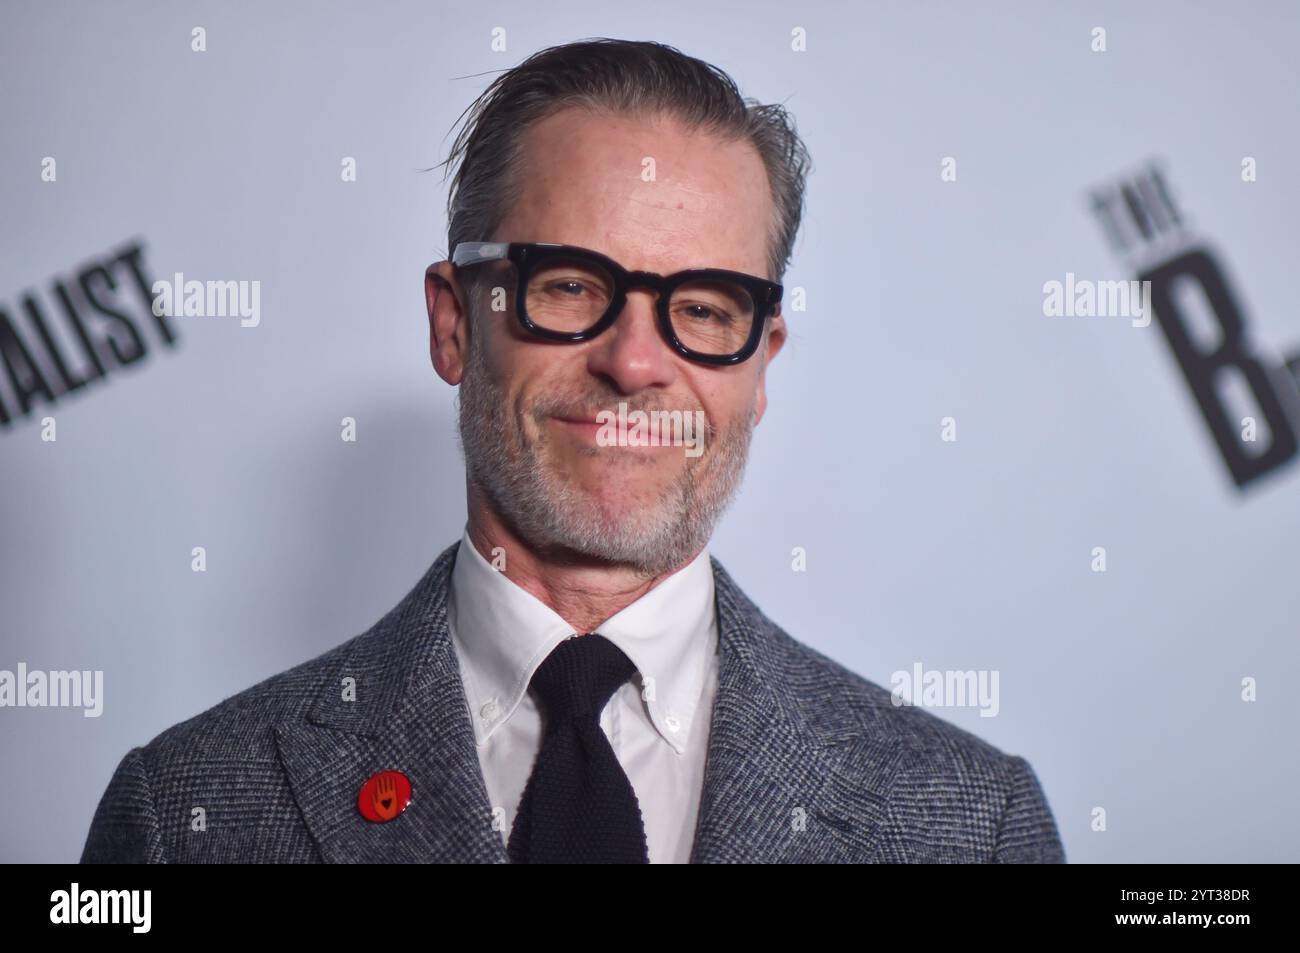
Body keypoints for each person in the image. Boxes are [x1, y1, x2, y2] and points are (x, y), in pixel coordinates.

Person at [82, 37, 1065, 864]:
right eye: (568, 285)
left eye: (704, 307)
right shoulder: (189, 811)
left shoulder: (970, 824)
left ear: (759, 366)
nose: (636, 360)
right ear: (454, 324)